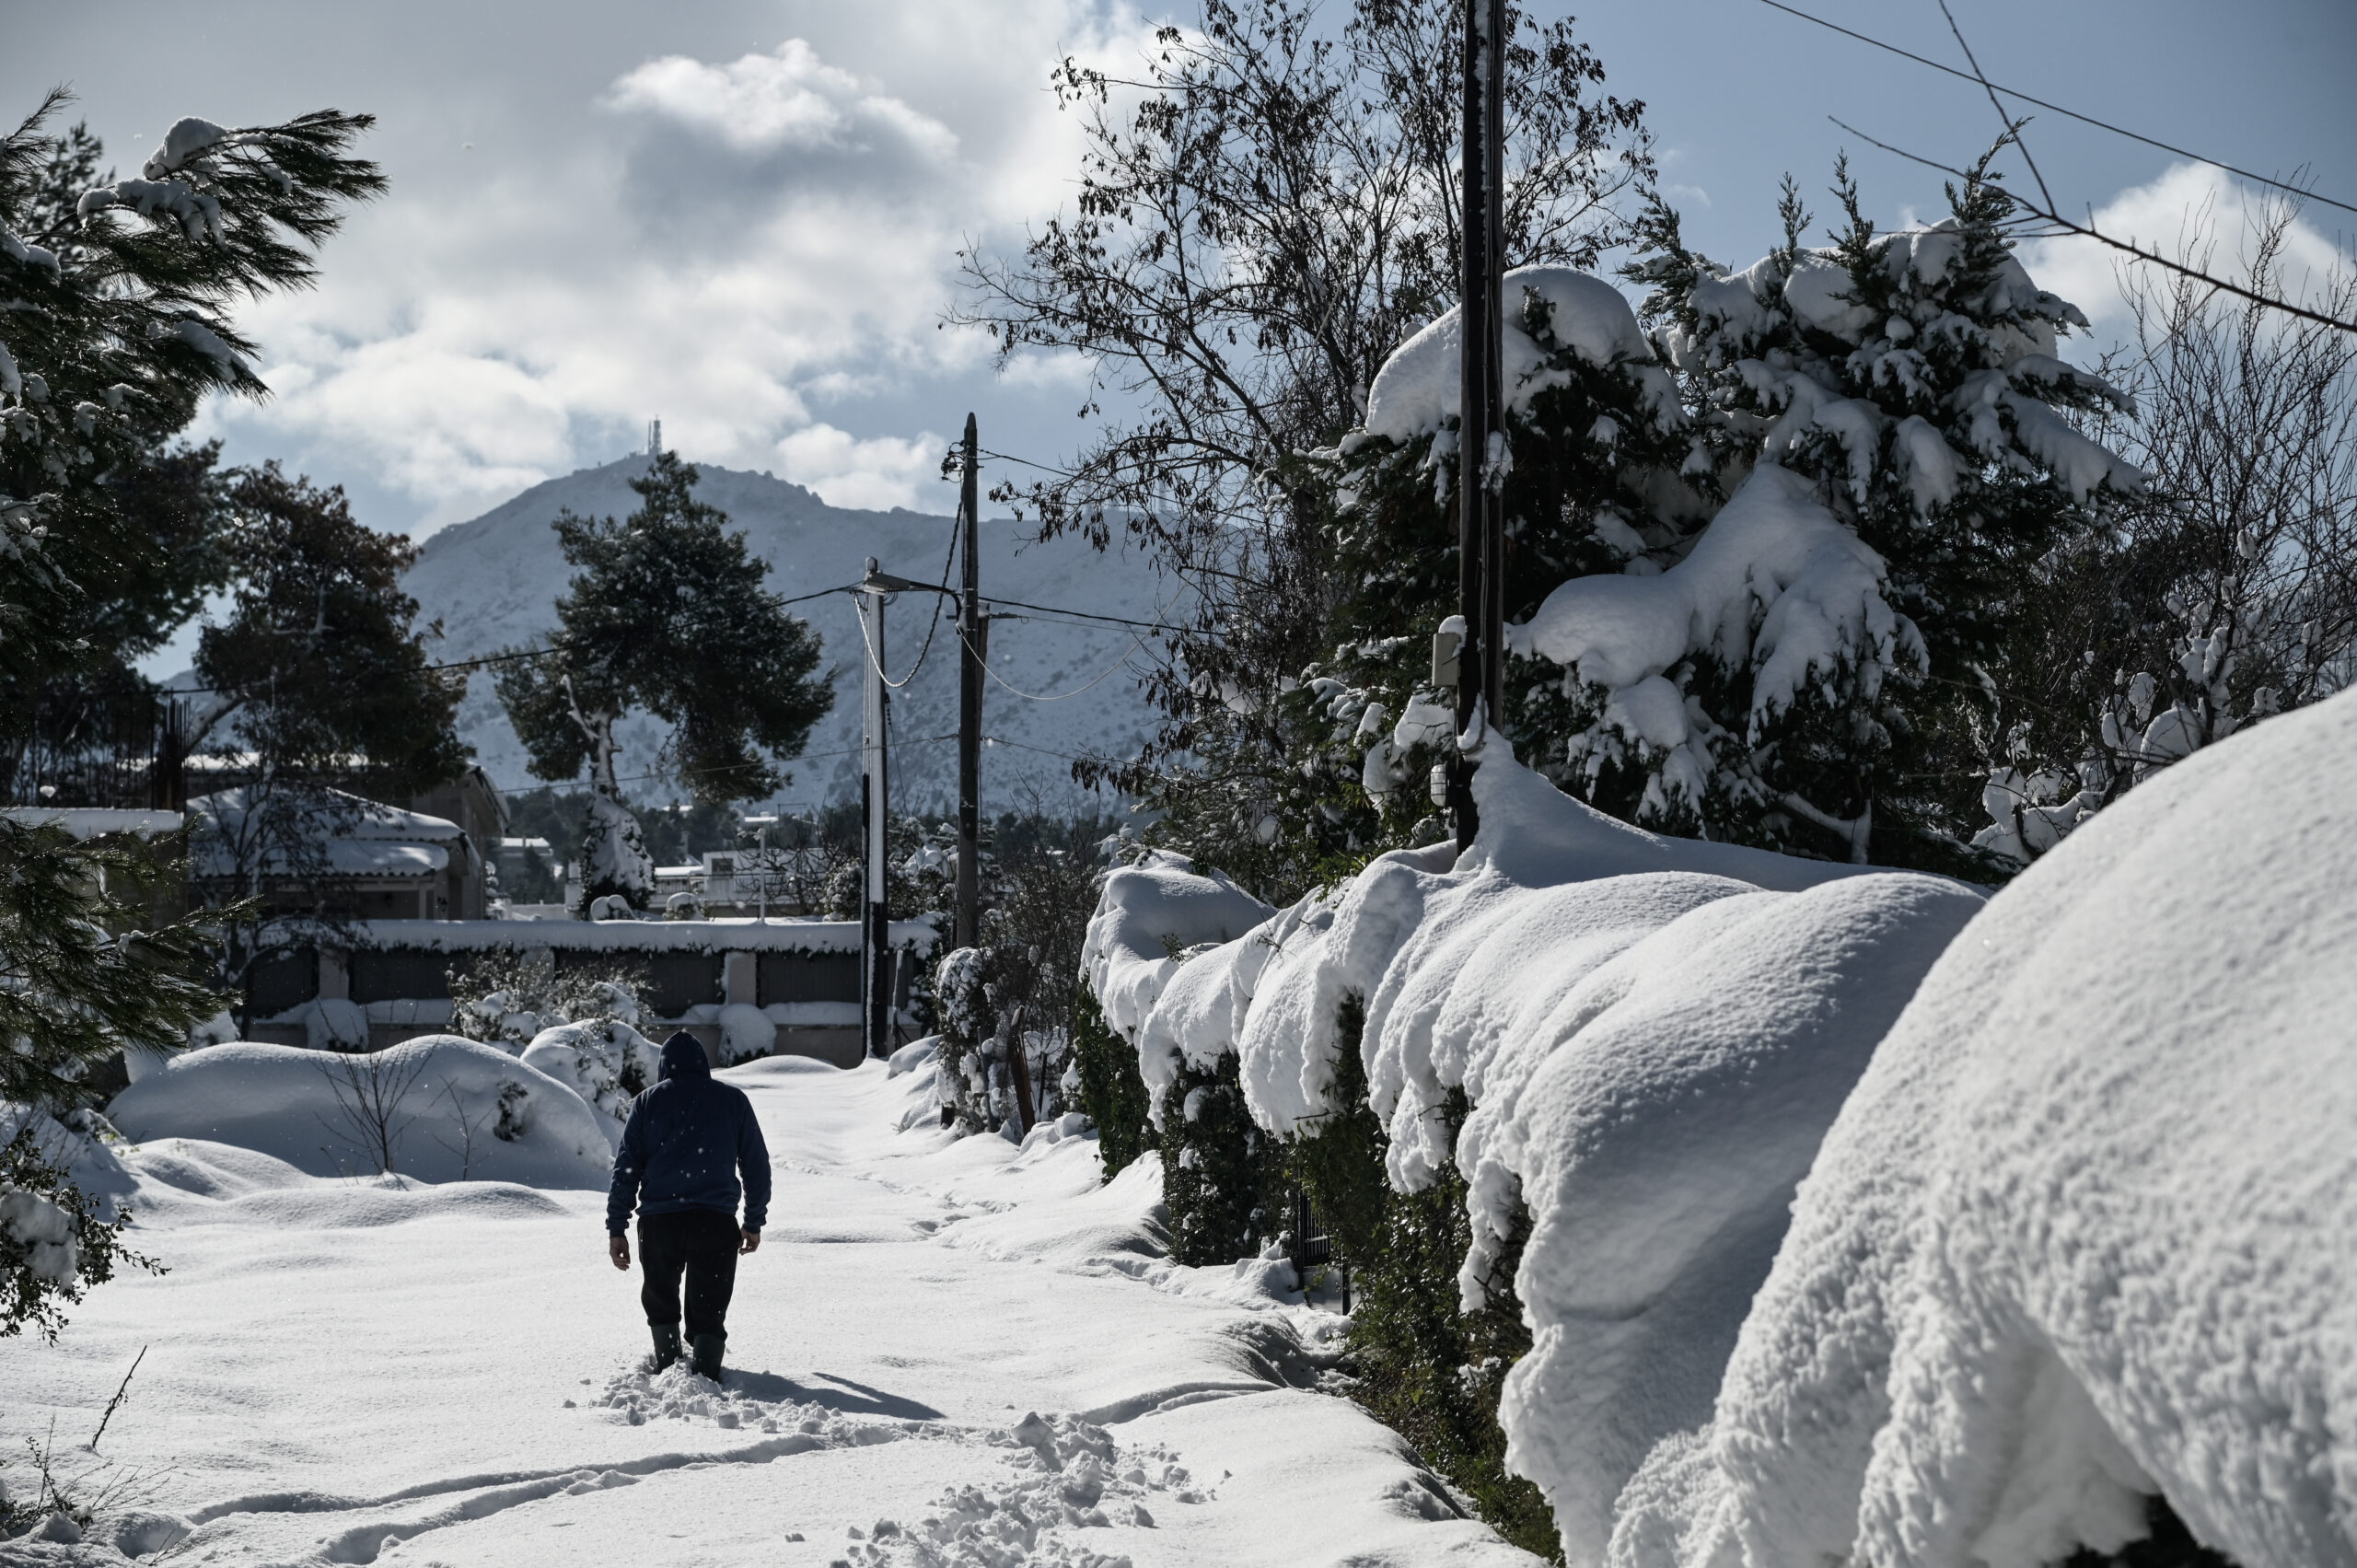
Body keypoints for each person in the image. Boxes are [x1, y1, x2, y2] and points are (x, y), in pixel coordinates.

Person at [606, 1030, 772, 1380]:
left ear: (664, 1066)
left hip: (659, 1224)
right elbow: (757, 1167)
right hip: (715, 1222)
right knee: (710, 1304)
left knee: (661, 1299)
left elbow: (626, 1169)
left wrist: (617, 1227)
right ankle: (706, 1373)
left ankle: (668, 1365)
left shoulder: (648, 1101)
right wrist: (753, 1222)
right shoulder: (733, 1100)